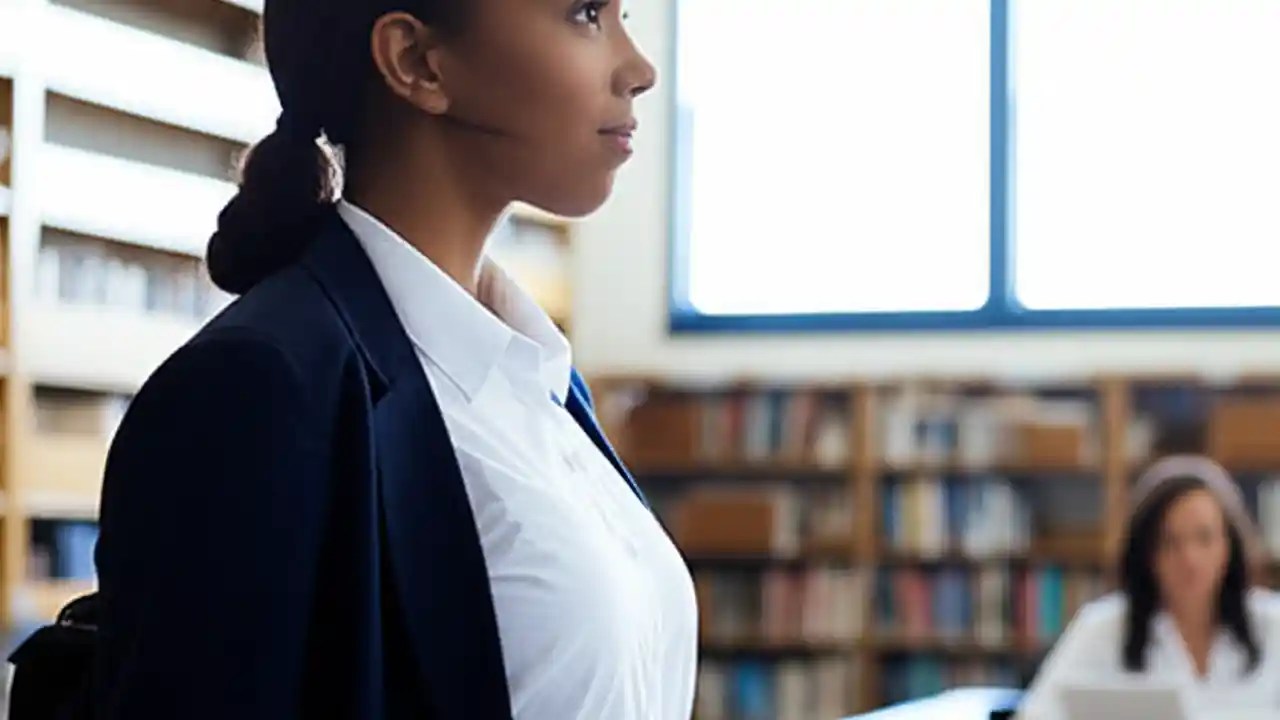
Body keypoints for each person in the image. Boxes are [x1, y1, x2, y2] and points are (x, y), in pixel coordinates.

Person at [90, 1, 690, 719]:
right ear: (415, 61)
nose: (641, 69)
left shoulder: (539, 376)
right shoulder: (256, 389)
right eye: (586, 14)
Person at [1016, 455, 1280, 719]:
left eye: (1204, 538)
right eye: (1170, 542)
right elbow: (1036, 714)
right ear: (1146, 552)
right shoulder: (1102, 628)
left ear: (1229, 545)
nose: (1190, 558)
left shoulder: (1273, 624)